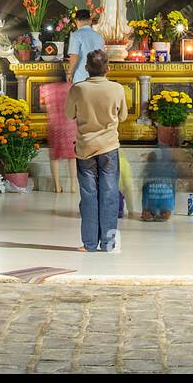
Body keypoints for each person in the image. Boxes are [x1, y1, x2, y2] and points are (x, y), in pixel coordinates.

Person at [65, 49, 128, 252]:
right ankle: (108, 243)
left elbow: (69, 115)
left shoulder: (78, 88)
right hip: (109, 146)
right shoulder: (117, 89)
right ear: (108, 68)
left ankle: (89, 244)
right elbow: (124, 116)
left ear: (86, 69)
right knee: (109, 194)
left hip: (85, 148)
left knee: (89, 195)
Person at [65, 6, 105, 85]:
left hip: (81, 76)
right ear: (90, 21)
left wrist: (69, 73)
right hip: (97, 77)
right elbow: (102, 56)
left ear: (77, 21)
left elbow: (74, 56)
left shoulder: (76, 35)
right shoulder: (99, 36)